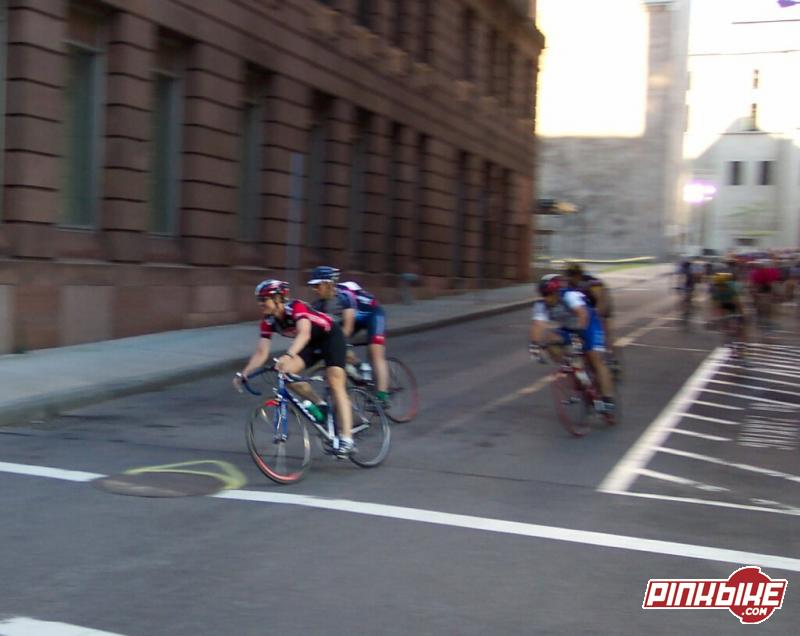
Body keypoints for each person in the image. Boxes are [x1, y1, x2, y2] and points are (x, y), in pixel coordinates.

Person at [233, 279, 354, 456]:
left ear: (278, 299)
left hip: (330, 337)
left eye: (264, 300)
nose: (260, 304)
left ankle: (347, 439)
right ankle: (320, 404)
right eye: (259, 300)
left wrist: (288, 355)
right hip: (311, 344)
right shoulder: (268, 321)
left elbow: (304, 333)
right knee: (285, 372)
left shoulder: (296, 307)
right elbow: (261, 351)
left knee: (335, 382)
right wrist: (245, 373)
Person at [529, 274, 615, 415]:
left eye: (549, 294)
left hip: (589, 326)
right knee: (549, 338)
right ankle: (571, 364)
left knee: (595, 360)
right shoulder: (541, 305)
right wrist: (535, 346)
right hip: (569, 327)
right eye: (543, 295)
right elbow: (538, 325)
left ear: (556, 292)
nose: (546, 298)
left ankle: (608, 399)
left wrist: (580, 337)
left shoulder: (570, 296)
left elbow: (582, 315)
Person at [307, 266, 390, 405]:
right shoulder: (319, 304)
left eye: (317, 285)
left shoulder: (345, 296)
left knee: (375, 352)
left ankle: (382, 396)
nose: (314, 289)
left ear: (328, 284)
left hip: (373, 315)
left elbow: (348, 328)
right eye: (312, 286)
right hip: (354, 318)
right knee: (336, 343)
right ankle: (358, 367)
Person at [563, 262, 616, 359]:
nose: (572, 277)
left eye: (574, 274)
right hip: (586, 304)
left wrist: (598, 316)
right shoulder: (569, 284)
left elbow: (600, 299)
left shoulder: (592, 282)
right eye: (570, 275)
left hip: (601, 300)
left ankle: (610, 354)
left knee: (602, 326)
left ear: (580, 274)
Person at [709, 271, 748, 360]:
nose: (719, 287)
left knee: (738, 328)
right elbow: (715, 305)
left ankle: (740, 347)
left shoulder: (729, 289)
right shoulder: (719, 290)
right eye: (718, 285)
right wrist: (715, 317)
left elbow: (737, 303)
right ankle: (733, 347)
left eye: (720, 285)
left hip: (731, 304)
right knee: (727, 327)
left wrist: (742, 314)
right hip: (726, 305)